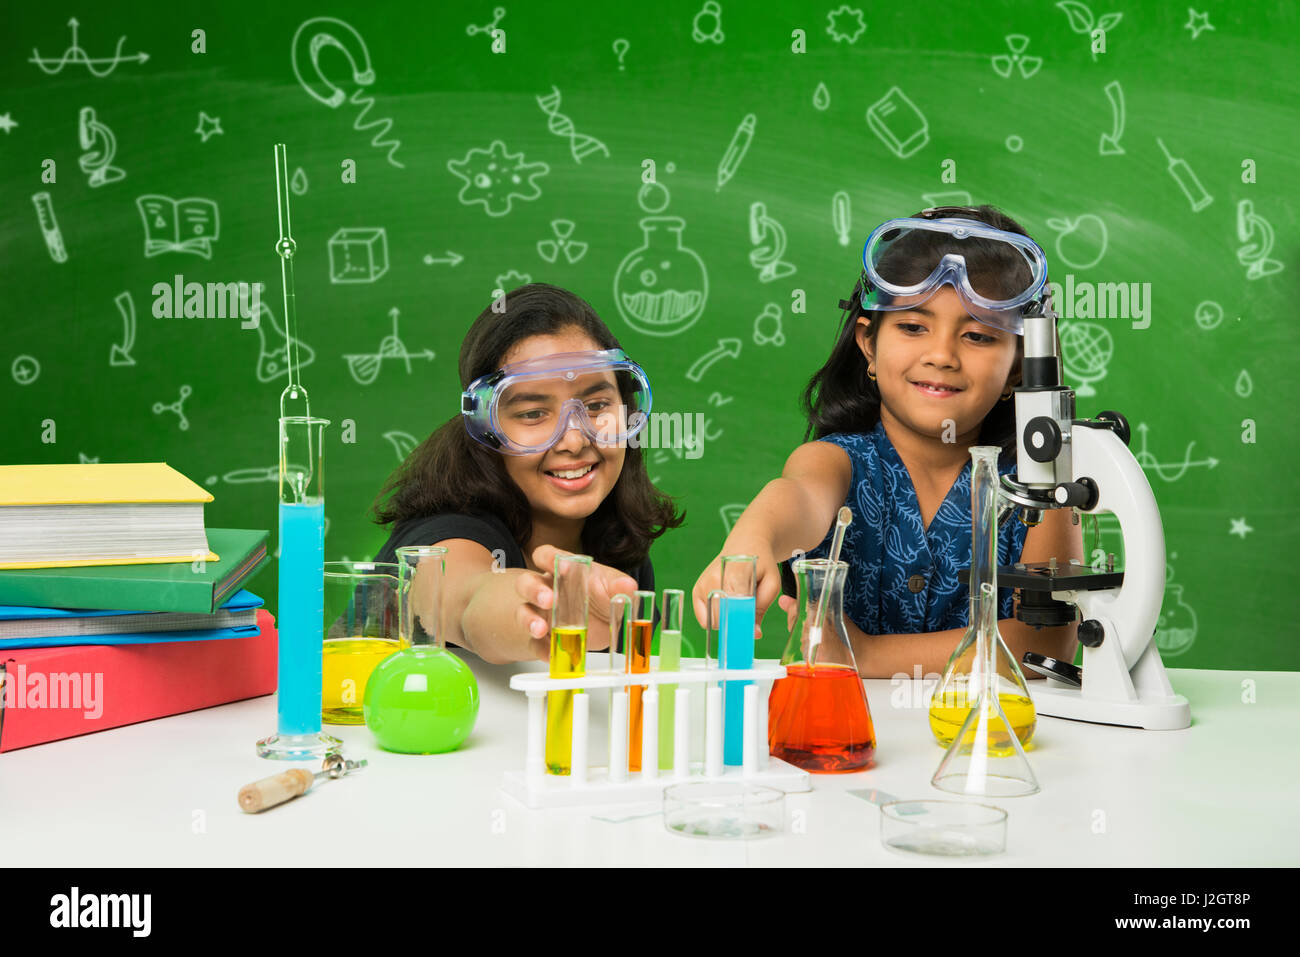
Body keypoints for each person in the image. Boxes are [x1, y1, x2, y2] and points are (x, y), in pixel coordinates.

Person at [692, 205, 1081, 678]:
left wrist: (868, 654)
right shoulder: (836, 463)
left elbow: (1043, 647)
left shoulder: (1042, 486)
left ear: (1017, 370)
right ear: (869, 345)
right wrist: (753, 542)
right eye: (913, 327)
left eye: (978, 336)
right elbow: (796, 497)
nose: (941, 355)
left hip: (989, 744)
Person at [372, 283, 683, 664]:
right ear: (486, 427)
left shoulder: (616, 549)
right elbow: (467, 601)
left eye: (597, 404)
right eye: (533, 413)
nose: (574, 438)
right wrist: (537, 611)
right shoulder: (447, 532)